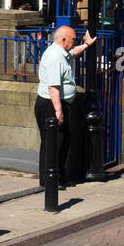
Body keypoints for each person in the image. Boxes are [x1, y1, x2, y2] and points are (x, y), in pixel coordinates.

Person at [35, 25, 97, 188]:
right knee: (53, 143)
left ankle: (57, 178)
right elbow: (53, 87)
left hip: (57, 102)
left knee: (60, 142)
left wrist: (87, 45)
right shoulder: (55, 57)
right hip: (51, 104)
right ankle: (50, 181)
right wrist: (58, 111)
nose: (74, 42)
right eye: (73, 40)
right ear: (63, 40)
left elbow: (72, 53)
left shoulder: (61, 53)